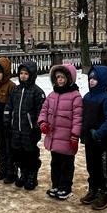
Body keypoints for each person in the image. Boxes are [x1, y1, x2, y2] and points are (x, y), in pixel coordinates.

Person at [38, 63, 83, 200]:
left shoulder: (75, 96)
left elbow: (78, 118)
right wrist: (43, 122)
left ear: (69, 79)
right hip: (54, 137)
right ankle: (56, 185)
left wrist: (75, 135)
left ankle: (65, 187)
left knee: (67, 164)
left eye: (63, 77)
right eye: (58, 77)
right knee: (55, 163)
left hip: (68, 139)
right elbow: (44, 110)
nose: (60, 80)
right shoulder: (52, 95)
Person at [80, 65, 107, 211]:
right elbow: (84, 117)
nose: (91, 81)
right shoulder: (87, 97)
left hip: (101, 141)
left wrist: (99, 133)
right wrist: (83, 132)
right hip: (89, 139)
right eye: (90, 78)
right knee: (91, 165)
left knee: (102, 167)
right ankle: (93, 188)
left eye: (95, 79)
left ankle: (104, 191)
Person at [6, 60, 44, 190]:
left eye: (26, 73)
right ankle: (23, 173)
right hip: (16, 129)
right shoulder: (15, 90)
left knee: (30, 153)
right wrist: (7, 120)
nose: (23, 76)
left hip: (30, 130)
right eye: (21, 73)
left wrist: (36, 127)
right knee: (18, 153)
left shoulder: (37, 92)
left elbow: (41, 112)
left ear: (32, 75)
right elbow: (9, 106)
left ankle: (32, 175)